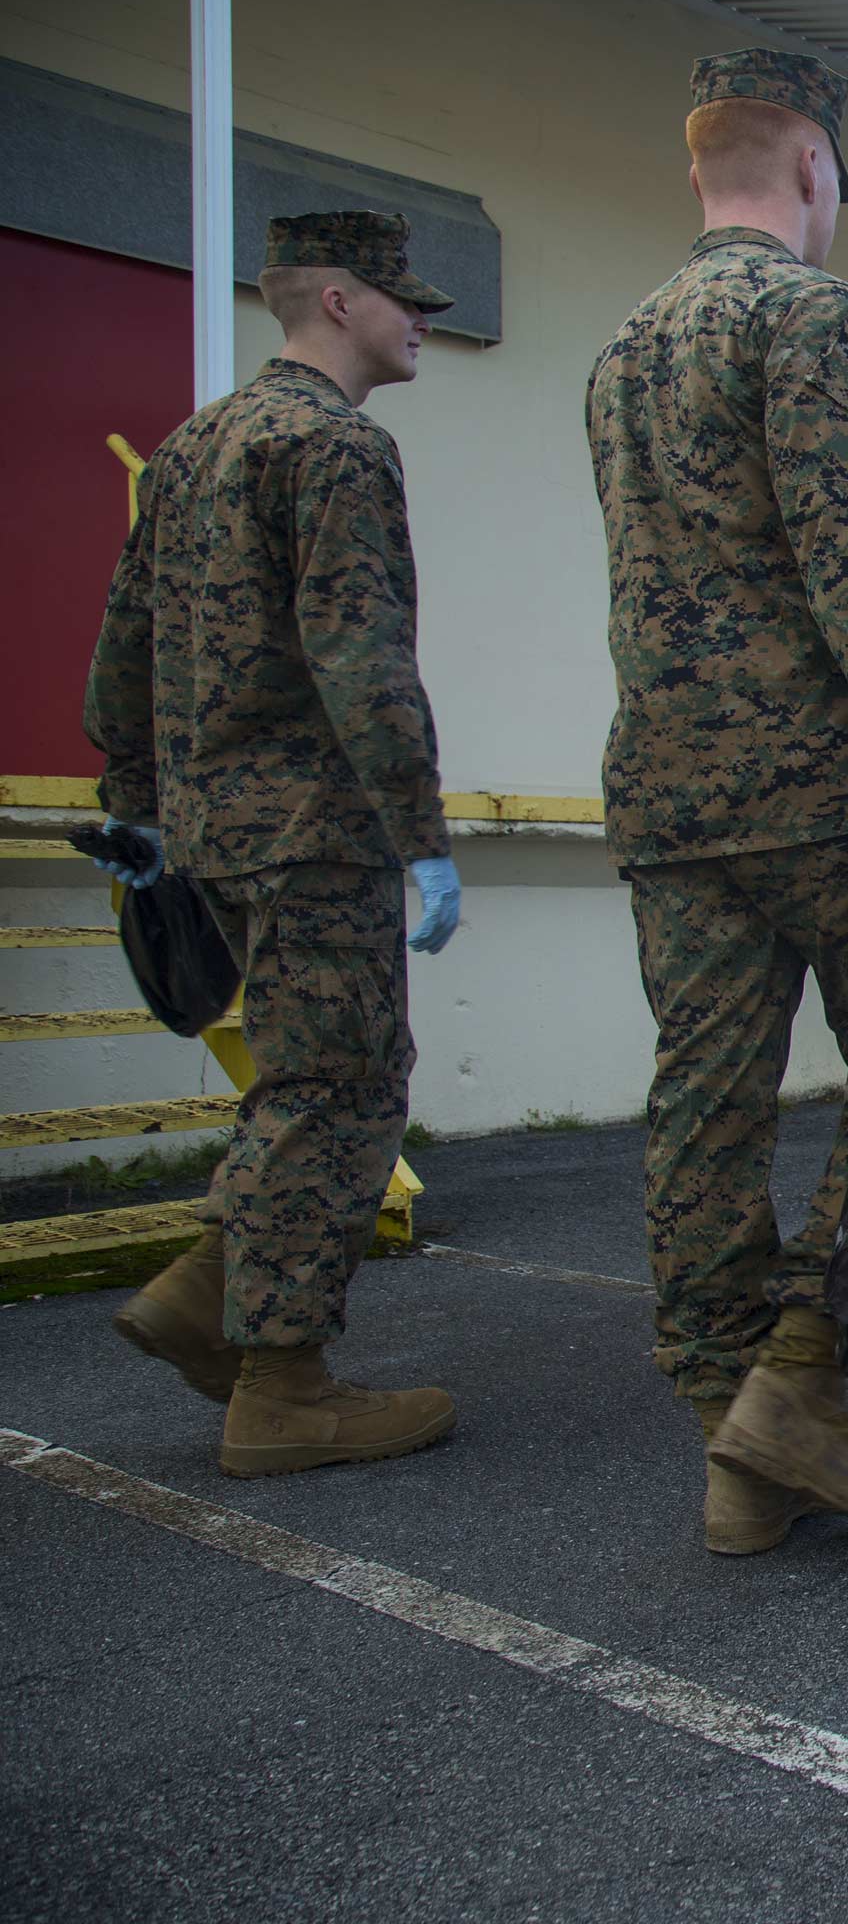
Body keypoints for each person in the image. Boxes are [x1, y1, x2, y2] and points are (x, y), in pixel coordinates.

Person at [589, 48, 848, 1556]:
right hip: (824, 787)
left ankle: (736, 1442)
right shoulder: (808, 314)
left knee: (702, 1109)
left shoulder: (625, 346)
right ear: (817, 171)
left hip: (668, 789)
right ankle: (795, 1378)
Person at [84, 210, 465, 1478]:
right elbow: (362, 657)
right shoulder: (336, 446)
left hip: (213, 830)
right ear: (339, 299)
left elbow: (124, 638)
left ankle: (206, 1295)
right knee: (343, 1086)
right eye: (407, 300)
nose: (424, 320)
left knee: (301, 1077)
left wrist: (139, 799)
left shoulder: (195, 445)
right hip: (315, 827)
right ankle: (286, 1385)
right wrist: (422, 835)